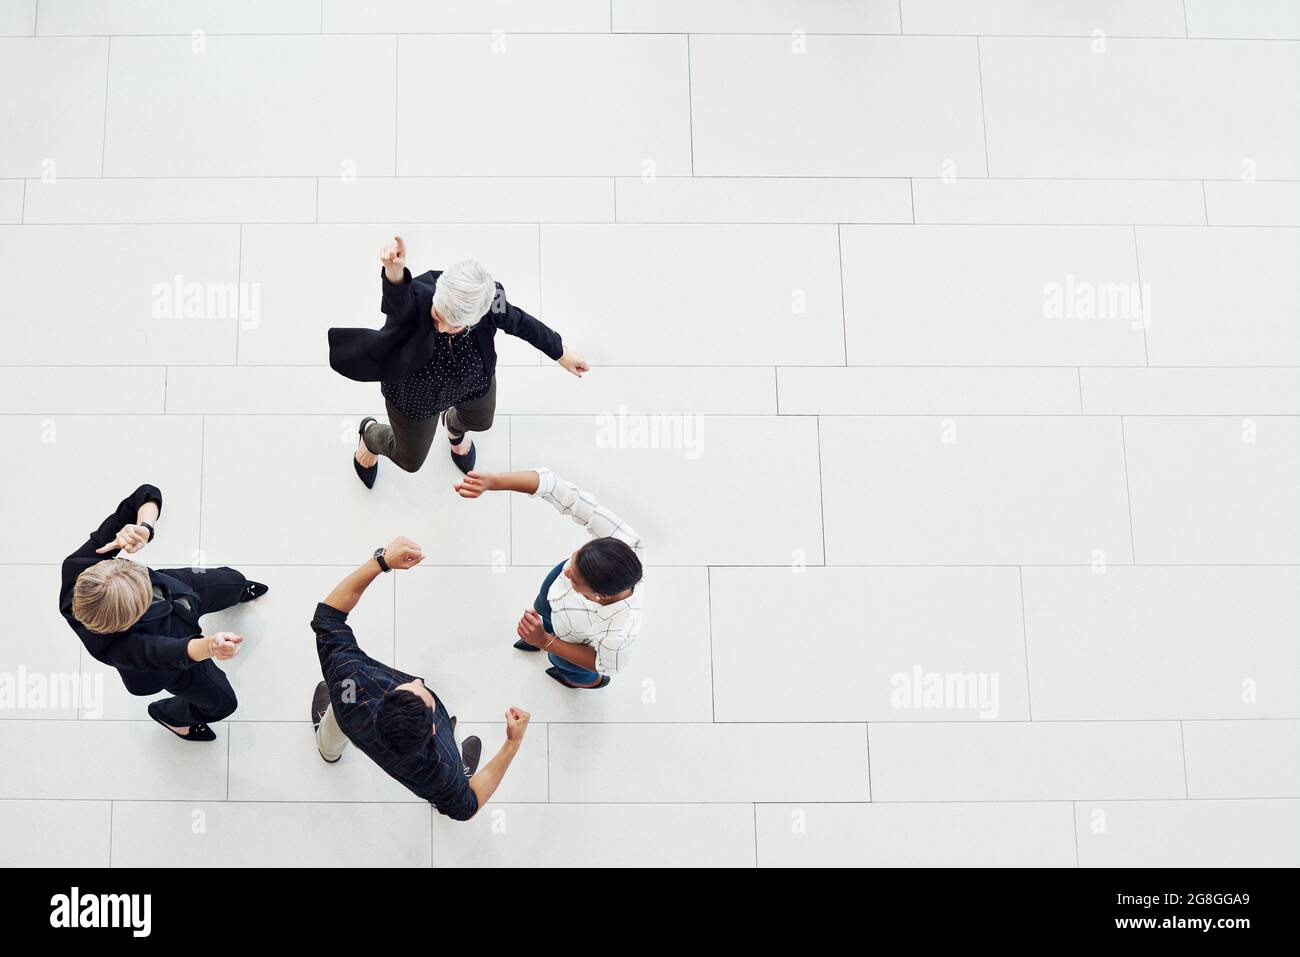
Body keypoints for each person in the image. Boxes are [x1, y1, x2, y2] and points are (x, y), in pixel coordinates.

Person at [329, 235, 589, 484]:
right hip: (416, 396)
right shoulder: (420, 296)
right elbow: (399, 300)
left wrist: (561, 352)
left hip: (473, 381)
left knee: (481, 422)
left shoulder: (490, 299)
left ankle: (452, 428)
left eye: (451, 324)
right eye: (437, 314)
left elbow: (519, 321)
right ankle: (370, 436)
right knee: (409, 461)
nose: (440, 327)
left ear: (475, 318)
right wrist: (394, 273)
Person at [309, 537, 529, 820]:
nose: (418, 682)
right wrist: (512, 742)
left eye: (409, 687)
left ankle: (328, 750)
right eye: (422, 692)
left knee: (340, 710)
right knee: (453, 789)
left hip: (350, 705)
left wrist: (382, 561)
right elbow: (467, 806)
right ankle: (462, 772)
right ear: (434, 731)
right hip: (436, 773)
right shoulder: (439, 769)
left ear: (386, 701)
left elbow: (328, 617)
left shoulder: (351, 677)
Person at [59, 484, 268, 741]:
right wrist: (211, 646)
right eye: (143, 585)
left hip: (177, 590)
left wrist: (143, 527)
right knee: (222, 703)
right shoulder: (120, 648)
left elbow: (146, 493)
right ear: (135, 614)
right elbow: (173, 652)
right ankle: (172, 716)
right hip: (169, 661)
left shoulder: (79, 568)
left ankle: (236, 590)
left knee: (232, 581)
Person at [453, 468, 644, 690]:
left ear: (599, 596)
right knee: (541, 607)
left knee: (563, 663)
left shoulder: (620, 633)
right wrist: (493, 481)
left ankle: (586, 683)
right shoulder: (625, 542)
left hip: (575, 640)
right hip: (555, 597)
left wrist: (545, 641)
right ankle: (542, 631)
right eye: (574, 560)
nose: (567, 572)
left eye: (575, 579)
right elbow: (555, 487)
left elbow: (603, 663)